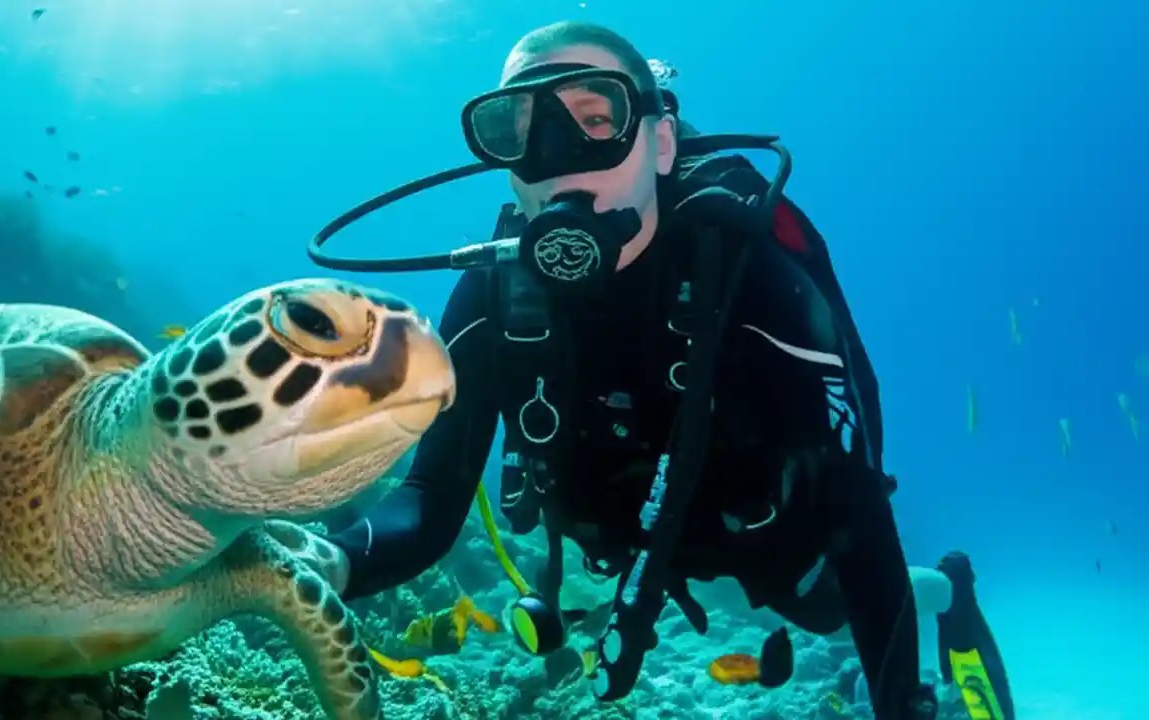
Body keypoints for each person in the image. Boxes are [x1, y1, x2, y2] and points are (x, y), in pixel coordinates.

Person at [305, 20, 1015, 720]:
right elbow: (428, 503)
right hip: (613, 549)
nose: (557, 157)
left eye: (595, 117)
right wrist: (319, 563)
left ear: (662, 143)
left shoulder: (749, 275)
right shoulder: (496, 297)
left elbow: (860, 517)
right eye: (518, 129)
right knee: (579, 593)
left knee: (826, 605)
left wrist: (900, 705)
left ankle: (951, 590)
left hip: (763, 537)